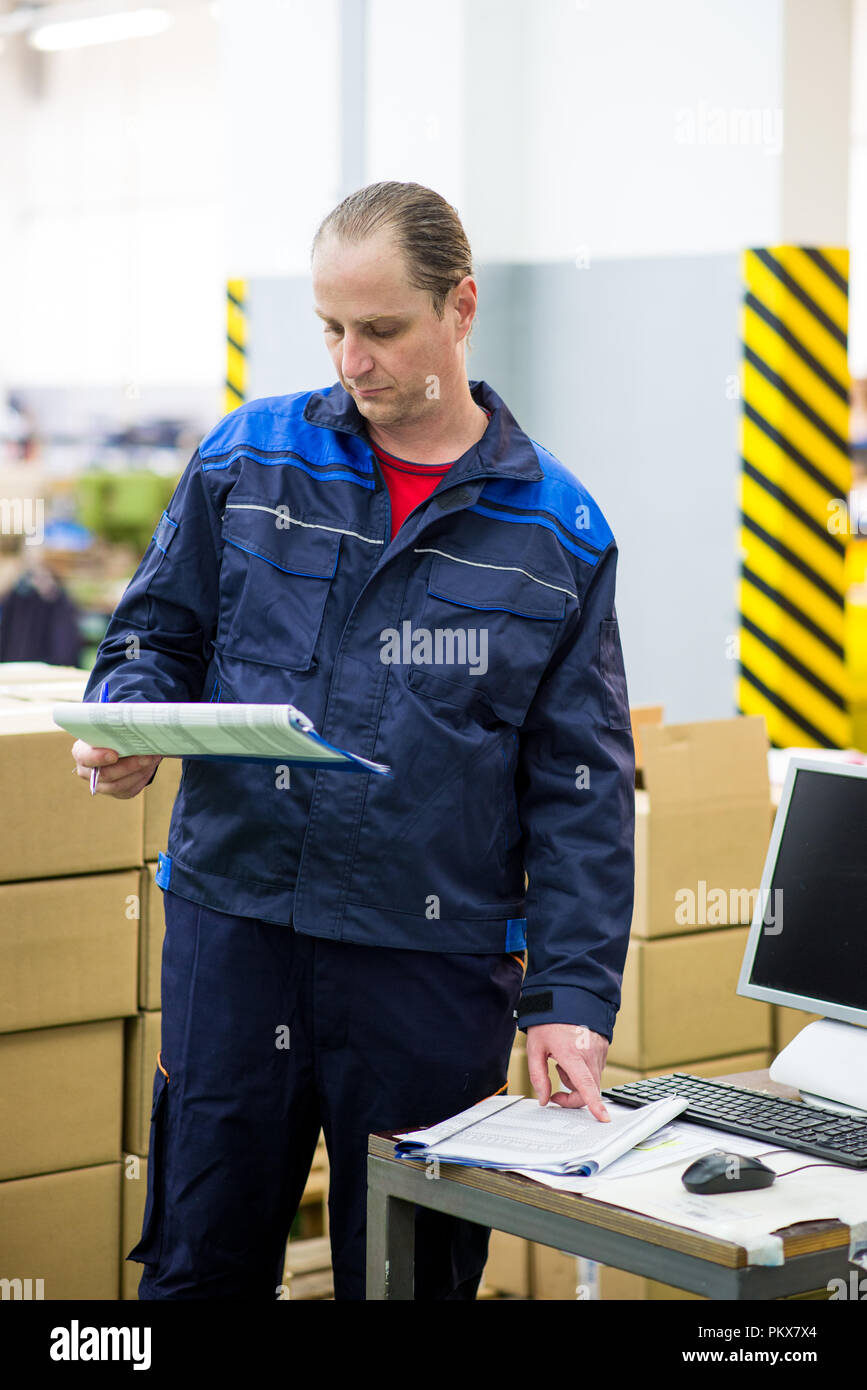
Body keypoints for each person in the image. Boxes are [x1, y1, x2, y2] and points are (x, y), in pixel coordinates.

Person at [70, 180, 635, 1301]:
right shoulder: (250, 461)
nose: (352, 359)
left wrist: (571, 998)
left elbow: (583, 787)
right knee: (198, 1258)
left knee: (414, 1275)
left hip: (426, 963)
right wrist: (128, 714)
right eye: (331, 328)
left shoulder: (554, 534)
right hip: (238, 932)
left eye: (381, 329)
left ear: (460, 307)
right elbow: (156, 633)